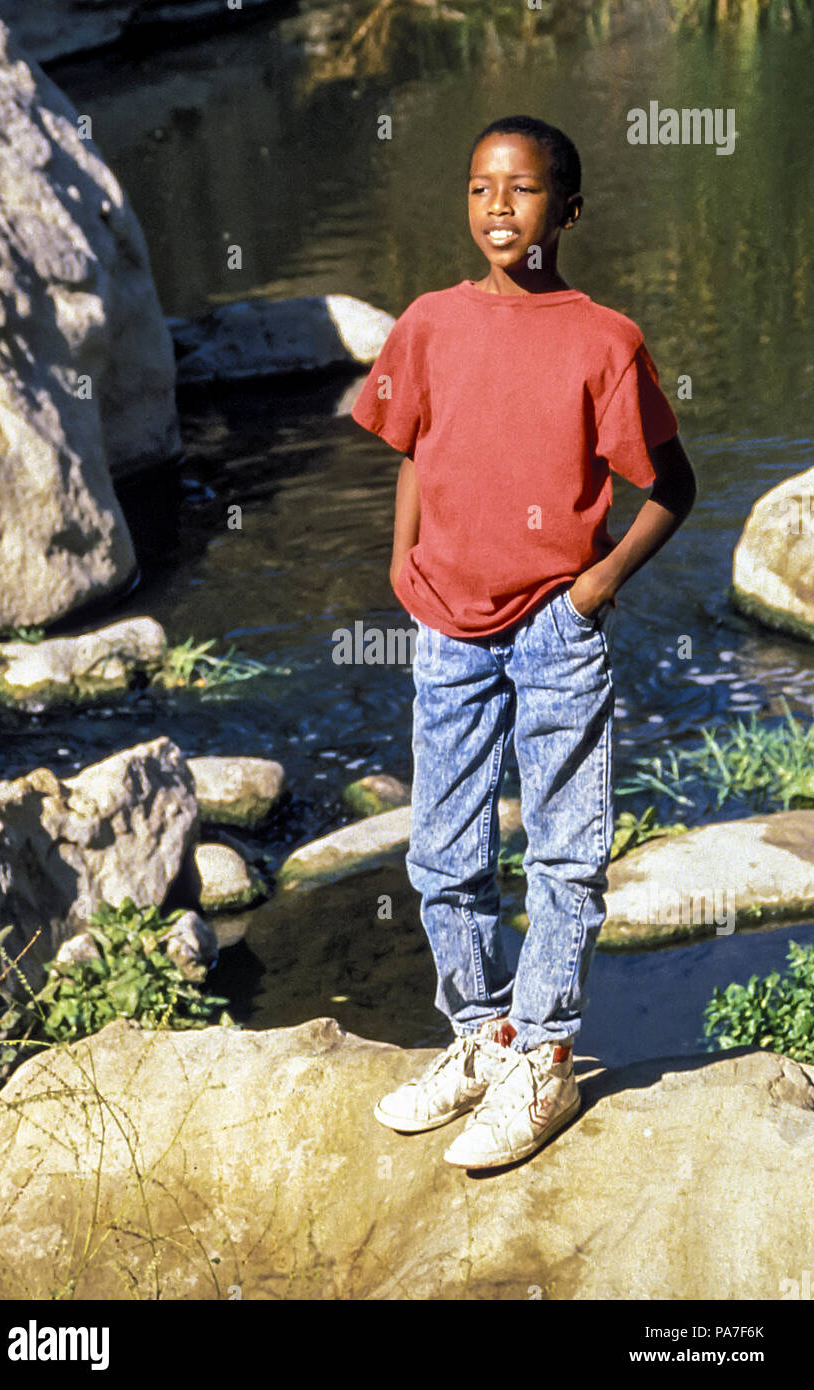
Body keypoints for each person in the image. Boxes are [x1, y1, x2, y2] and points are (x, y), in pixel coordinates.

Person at [350, 114, 696, 1170]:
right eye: (479, 187)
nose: (498, 206)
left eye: (524, 189)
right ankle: (480, 1031)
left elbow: (672, 487)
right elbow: (411, 446)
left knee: (563, 851)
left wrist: (589, 587)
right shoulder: (426, 323)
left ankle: (542, 1055)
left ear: (570, 210)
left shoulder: (604, 339)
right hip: (445, 626)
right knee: (440, 854)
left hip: (555, 632)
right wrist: (402, 559)